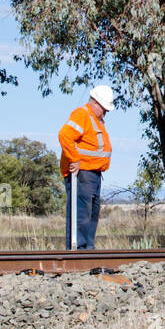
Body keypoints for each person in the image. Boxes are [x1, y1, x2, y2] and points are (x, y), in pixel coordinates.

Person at [59, 85, 114, 250]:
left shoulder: (96, 119)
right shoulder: (82, 114)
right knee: (81, 215)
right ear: (96, 103)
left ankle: (88, 251)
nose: (106, 113)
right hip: (82, 174)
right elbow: (65, 135)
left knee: (91, 214)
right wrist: (74, 159)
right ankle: (79, 251)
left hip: (94, 174)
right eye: (104, 109)